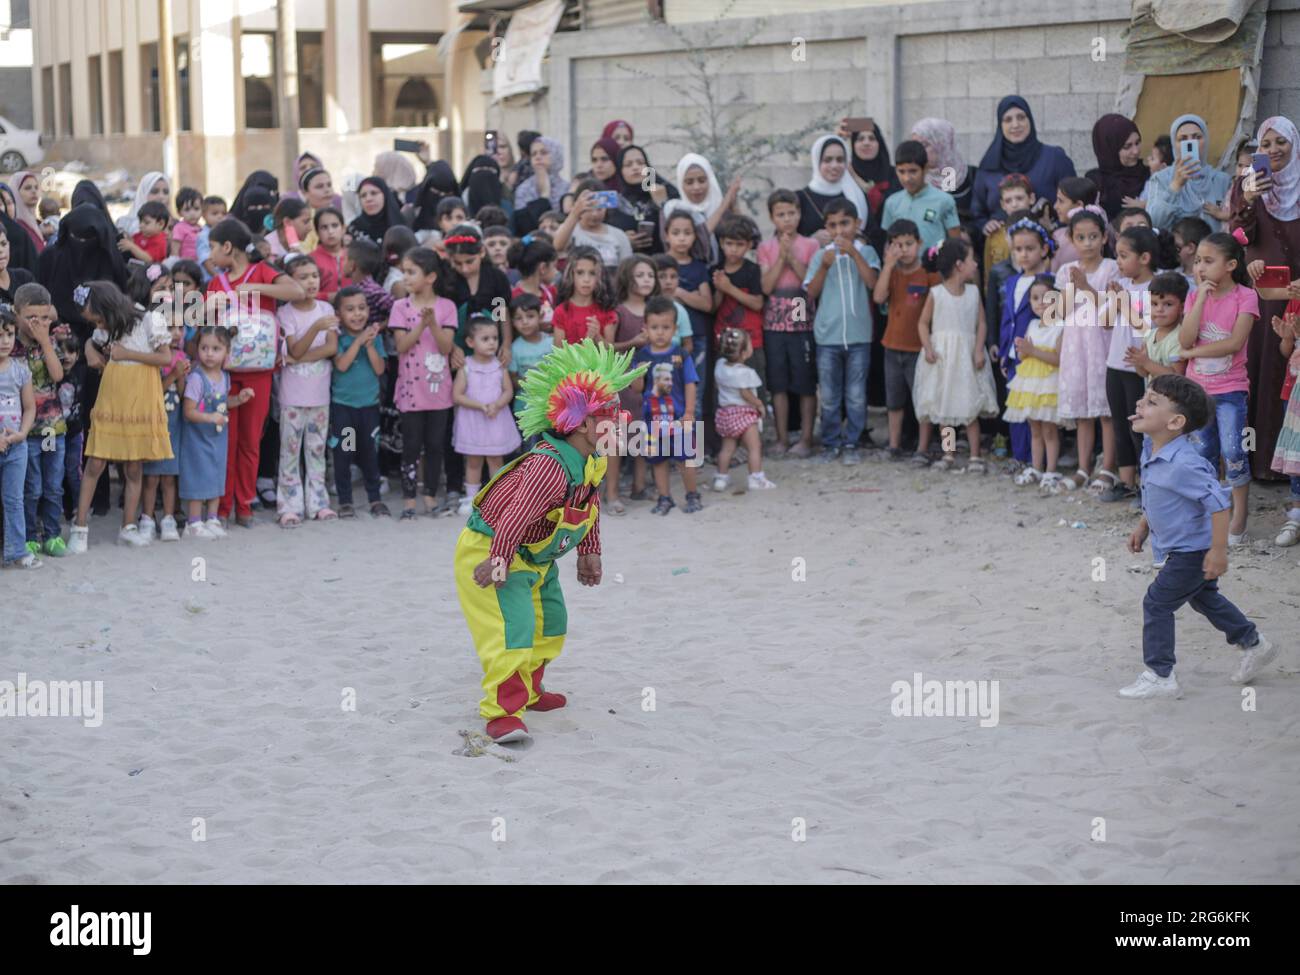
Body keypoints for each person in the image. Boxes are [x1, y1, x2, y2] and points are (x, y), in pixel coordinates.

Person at [453, 338, 644, 744]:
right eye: (611, 416)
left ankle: (531, 689)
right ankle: (501, 713)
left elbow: (587, 505)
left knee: (552, 622)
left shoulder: (593, 459)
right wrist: (500, 560)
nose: (622, 422)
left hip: (536, 557)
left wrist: (589, 553)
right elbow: (514, 515)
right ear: (583, 424)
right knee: (513, 630)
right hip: (494, 549)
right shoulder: (548, 467)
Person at [1120, 374, 1276, 699]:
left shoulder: (1185, 463)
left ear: (1176, 421)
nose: (1140, 404)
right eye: (1143, 399)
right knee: (1205, 599)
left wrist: (1219, 552)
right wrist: (1142, 526)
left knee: (1156, 603)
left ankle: (1160, 674)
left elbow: (1219, 503)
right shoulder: (1154, 450)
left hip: (1192, 551)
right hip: (1182, 549)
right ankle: (1253, 642)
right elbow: (1159, 496)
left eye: (1151, 402)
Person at [203, 218, 306, 526]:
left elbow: (296, 291)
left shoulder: (262, 271)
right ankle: (221, 506)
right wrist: (215, 305)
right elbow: (203, 322)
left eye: (212, 247)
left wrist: (254, 288)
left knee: (250, 440)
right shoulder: (214, 283)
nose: (209, 255)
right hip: (224, 373)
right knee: (225, 439)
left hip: (259, 372)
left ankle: (244, 503)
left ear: (227, 247)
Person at [67, 282, 173, 552]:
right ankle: (79, 528)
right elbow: (92, 341)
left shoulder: (151, 320)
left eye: (98, 318)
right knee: (95, 462)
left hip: (141, 395)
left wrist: (127, 354)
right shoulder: (105, 328)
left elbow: (165, 358)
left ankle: (128, 527)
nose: (97, 324)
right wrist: (90, 349)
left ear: (108, 308)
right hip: (112, 395)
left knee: (134, 466)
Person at [1178, 232, 1258, 544]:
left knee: (1234, 450)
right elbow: (1184, 339)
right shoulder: (1194, 296)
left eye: (1208, 261)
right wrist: (1198, 300)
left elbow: (1234, 343)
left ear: (1231, 265)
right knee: (1202, 453)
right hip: (1198, 392)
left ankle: (1240, 516)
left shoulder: (1244, 297)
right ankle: (1211, 513)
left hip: (1231, 390)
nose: (1200, 267)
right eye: (1197, 260)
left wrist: (1193, 354)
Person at [1233, 115, 1300, 480]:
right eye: (1266, 144)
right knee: (1262, 368)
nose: (1273, 150)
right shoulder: (1245, 186)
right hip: (1263, 296)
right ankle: (1261, 465)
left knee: (1292, 370)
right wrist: (1247, 201)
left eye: (1281, 142)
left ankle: (1293, 468)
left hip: (1298, 296)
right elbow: (1238, 234)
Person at [803, 197, 881, 464]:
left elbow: (872, 283)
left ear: (857, 224)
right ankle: (830, 443)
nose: (839, 231)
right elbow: (809, 293)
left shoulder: (867, 252)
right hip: (828, 337)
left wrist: (855, 253)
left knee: (857, 395)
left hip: (860, 336)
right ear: (826, 227)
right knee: (829, 395)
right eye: (833, 225)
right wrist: (824, 266)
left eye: (845, 224)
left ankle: (852, 443)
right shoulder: (819, 255)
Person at [913, 238, 999, 471]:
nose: (976, 265)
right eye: (973, 260)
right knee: (945, 408)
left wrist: (979, 348)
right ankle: (948, 453)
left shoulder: (972, 293)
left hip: (966, 358)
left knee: (969, 406)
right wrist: (928, 347)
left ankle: (974, 455)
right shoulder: (936, 293)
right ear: (960, 264)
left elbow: (981, 322)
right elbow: (923, 323)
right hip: (943, 357)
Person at [1055, 207, 1120, 494]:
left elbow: (1109, 311)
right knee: (1083, 411)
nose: (1088, 243)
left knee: (1105, 410)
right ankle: (1083, 468)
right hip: (1075, 345)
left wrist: (1086, 287)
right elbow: (1060, 312)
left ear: (1104, 237)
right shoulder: (1064, 271)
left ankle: (1107, 467)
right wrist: (1073, 287)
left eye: (1094, 236)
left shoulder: (1111, 268)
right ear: (1071, 239)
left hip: (1101, 342)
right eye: (1081, 237)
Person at [390, 247, 457, 519]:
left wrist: (433, 325)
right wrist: (420, 324)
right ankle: (408, 499)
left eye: (410, 271)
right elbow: (402, 346)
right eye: (403, 271)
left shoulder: (447, 306)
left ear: (430, 277)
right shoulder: (399, 307)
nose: (405, 277)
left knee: (435, 445)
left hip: (439, 391)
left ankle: (429, 495)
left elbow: (445, 348)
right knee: (411, 445)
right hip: (410, 391)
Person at [1096, 226, 1159, 503]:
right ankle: (1126, 482)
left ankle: (1148, 486)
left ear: (1144, 258)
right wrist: (1115, 299)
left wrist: (1122, 302)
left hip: (1138, 367)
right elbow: (1106, 323)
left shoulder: (1154, 288)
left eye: (1123, 256)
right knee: (1120, 426)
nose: (1118, 262)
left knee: (1139, 428)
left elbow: (1147, 327)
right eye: (1117, 256)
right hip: (1114, 364)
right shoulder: (1125, 287)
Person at [276, 255, 338, 527]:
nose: (311, 281)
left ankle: (319, 503)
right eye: (303, 277)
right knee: (290, 452)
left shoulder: (325, 309)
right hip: (292, 396)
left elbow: (331, 348)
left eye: (314, 275)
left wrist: (297, 357)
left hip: (319, 395)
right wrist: (313, 330)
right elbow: (295, 348)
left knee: (316, 450)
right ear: (290, 282)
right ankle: (289, 505)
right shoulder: (285, 313)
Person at [873, 218, 940, 462]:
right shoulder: (892, 273)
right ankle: (894, 445)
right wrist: (888, 266)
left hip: (919, 348)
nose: (903, 249)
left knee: (922, 400)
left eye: (908, 244)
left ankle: (923, 448)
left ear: (919, 243)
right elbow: (879, 298)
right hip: (892, 346)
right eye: (897, 245)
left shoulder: (928, 274)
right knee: (894, 401)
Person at [758, 190, 818, 458]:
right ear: (772, 217)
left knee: (805, 381)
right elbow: (767, 287)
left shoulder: (810, 245)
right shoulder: (765, 248)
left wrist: (792, 257)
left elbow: (811, 284)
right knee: (778, 383)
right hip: (773, 320)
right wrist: (781, 256)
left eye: (791, 213)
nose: (787, 219)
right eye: (781, 215)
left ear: (799, 214)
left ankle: (806, 438)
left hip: (801, 313)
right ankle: (782, 438)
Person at [996, 217, 1056, 469]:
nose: (1023, 254)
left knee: (1037, 410)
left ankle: (1037, 460)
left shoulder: (1048, 282)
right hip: (1014, 353)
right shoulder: (1011, 281)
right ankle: (1020, 456)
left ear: (1043, 249)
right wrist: (1002, 348)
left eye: (1030, 249)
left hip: (1038, 356)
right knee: (1016, 407)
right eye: (1018, 249)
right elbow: (1006, 317)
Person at [632, 297, 702, 514]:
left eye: (665, 327)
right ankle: (664, 498)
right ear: (645, 328)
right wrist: (640, 373)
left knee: (686, 460)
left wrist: (690, 412)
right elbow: (636, 389)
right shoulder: (642, 355)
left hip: (680, 418)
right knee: (658, 460)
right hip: (653, 421)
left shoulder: (680, 355)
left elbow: (691, 383)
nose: (660, 332)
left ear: (675, 328)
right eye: (654, 327)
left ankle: (692, 495)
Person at [179, 326, 248, 539]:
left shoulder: (224, 377)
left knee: (217, 475)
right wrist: (209, 417)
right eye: (204, 348)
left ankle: (212, 518)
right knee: (198, 476)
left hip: (217, 438)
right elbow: (189, 411)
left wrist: (238, 399)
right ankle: (193, 522)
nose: (209, 353)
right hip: (197, 439)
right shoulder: (197, 378)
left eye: (216, 349)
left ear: (227, 351)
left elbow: (223, 403)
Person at [11, 283, 64, 557]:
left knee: (53, 486)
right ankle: (30, 535)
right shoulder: (9, 345)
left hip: (51, 429)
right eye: (32, 318)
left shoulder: (51, 342)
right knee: (31, 488)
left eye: (45, 318)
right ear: (16, 313)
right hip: (23, 431)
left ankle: (53, 534)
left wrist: (45, 342)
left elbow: (57, 376)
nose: (39, 324)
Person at [604, 255, 659, 511]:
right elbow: (605, 347)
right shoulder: (618, 312)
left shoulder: (655, 310)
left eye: (650, 275)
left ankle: (639, 487)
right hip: (621, 381)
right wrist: (633, 344)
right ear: (627, 277)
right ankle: (612, 493)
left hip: (648, 381)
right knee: (615, 440)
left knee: (642, 434)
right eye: (640, 275)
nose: (646, 280)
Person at [329, 286, 388, 519]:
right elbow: (341, 365)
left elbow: (379, 369)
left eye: (362, 308)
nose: (357, 314)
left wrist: (370, 345)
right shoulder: (338, 338)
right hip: (344, 408)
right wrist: (358, 341)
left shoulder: (375, 339)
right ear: (339, 314)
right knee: (344, 453)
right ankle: (345, 501)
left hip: (368, 408)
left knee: (369, 453)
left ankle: (375, 499)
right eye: (350, 309)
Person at [971, 97, 1076, 228]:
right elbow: (977, 213)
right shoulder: (989, 165)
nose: (1015, 125)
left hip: (1050, 243)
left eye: (1021, 117)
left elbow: (1073, 205)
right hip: (1000, 245)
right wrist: (986, 225)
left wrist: (1055, 228)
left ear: (1029, 120)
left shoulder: (1055, 158)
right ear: (1000, 125)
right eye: (1008, 120)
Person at [454, 316, 522, 513]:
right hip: (473, 422)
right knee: (473, 461)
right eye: (485, 339)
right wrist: (480, 406)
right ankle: (470, 498)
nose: (492, 342)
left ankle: (496, 498)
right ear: (470, 342)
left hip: (496, 421)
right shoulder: (466, 367)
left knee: (496, 460)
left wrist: (497, 404)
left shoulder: (500, 366)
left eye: (494, 338)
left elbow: (508, 391)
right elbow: (457, 395)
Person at [138, 317, 187, 542]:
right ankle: (147, 518)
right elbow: (156, 390)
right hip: (154, 424)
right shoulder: (154, 358)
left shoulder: (181, 357)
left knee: (169, 476)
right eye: (170, 328)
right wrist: (174, 374)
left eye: (180, 328)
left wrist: (182, 376)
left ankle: (168, 519)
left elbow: (183, 393)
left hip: (174, 424)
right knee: (151, 476)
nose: (176, 333)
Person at [1142, 114, 1232, 233]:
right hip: (1174, 250)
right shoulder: (1160, 178)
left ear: (1206, 141)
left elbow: (1234, 222)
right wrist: (1175, 185)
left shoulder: (1222, 180)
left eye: (1197, 137)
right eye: (1183, 139)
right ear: (1175, 145)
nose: (1190, 143)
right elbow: (1154, 222)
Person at [712, 327, 774, 492]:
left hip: (725, 414)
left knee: (727, 449)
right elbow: (745, 393)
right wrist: (759, 404)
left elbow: (718, 385)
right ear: (745, 352)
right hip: (743, 414)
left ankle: (721, 478)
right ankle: (756, 478)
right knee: (754, 447)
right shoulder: (746, 373)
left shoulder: (719, 365)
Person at [0, 304, 38, 567]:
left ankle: (16, 550)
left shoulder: (21, 369)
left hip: (16, 446)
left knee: (14, 499)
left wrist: (22, 433)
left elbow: (30, 407)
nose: (4, 341)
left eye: (9, 334)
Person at [881, 141, 959, 251]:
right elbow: (888, 243)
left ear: (926, 168)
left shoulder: (944, 201)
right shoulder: (892, 202)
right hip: (900, 267)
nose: (907, 178)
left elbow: (955, 242)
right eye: (901, 172)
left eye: (913, 171)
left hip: (934, 266)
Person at [795, 137, 869, 242]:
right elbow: (784, 238)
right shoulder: (800, 198)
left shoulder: (856, 196)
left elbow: (872, 236)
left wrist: (858, 237)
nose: (834, 166)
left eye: (840, 160)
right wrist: (811, 241)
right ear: (817, 161)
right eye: (827, 160)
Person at [1269, 302, 1300, 545]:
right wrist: (1288, 338)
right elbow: (1285, 350)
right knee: (1296, 455)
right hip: (1294, 392)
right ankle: (1297, 514)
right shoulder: (1296, 299)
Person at [507, 293, 554, 448]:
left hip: (551, 407)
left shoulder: (551, 342)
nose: (525, 322)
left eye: (530, 316)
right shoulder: (514, 348)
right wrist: (527, 383)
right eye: (519, 318)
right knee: (530, 451)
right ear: (512, 322)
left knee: (551, 448)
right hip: (525, 410)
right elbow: (512, 377)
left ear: (540, 316)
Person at [552, 182, 633, 269]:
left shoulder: (618, 235)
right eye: (589, 209)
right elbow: (558, 246)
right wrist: (574, 213)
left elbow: (626, 268)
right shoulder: (570, 230)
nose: (594, 214)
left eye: (599, 209)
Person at [1086, 114, 1150, 220]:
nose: (1136, 151)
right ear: (1109, 149)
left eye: (1137, 143)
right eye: (1127, 146)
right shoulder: (1096, 182)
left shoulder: (1149, 175)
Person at [552, 246, 617, 346]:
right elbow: (559, 354)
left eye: (592, 273)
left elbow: (610, 352)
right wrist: (587, 339)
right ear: (570, 274)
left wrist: (597, 336)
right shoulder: (561, 311)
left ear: (599, 276)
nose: (586, 279)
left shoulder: (606, 310)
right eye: (580, 272)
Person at [513, 136, 569, 236]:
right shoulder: (523, 189)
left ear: (555, 154)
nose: (538, 157)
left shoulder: (567, 188)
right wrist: (544, 196)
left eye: (544, 153)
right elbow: (524, 226)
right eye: (533, 154)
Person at [347, 176, 404, 247]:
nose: (368, 199)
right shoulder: (354, 228)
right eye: (363, 195)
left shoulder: (400, 225)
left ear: (385, 195)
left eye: (374, 193)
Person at [309, 207, 350, 300]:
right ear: (317, 232)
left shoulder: (354, 256)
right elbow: (305, 293)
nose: (330, 232)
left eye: (335, 225)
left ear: (343, 228)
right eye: (324, 227)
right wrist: (328, 297)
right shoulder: (310, 259)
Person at [171, 187, 204, 260]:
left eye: (196, 208)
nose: (192, 213)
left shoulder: (202, 228)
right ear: (179, 212)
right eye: (187, 210)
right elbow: (175, 251)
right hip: (186, 266)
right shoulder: (179, 228)